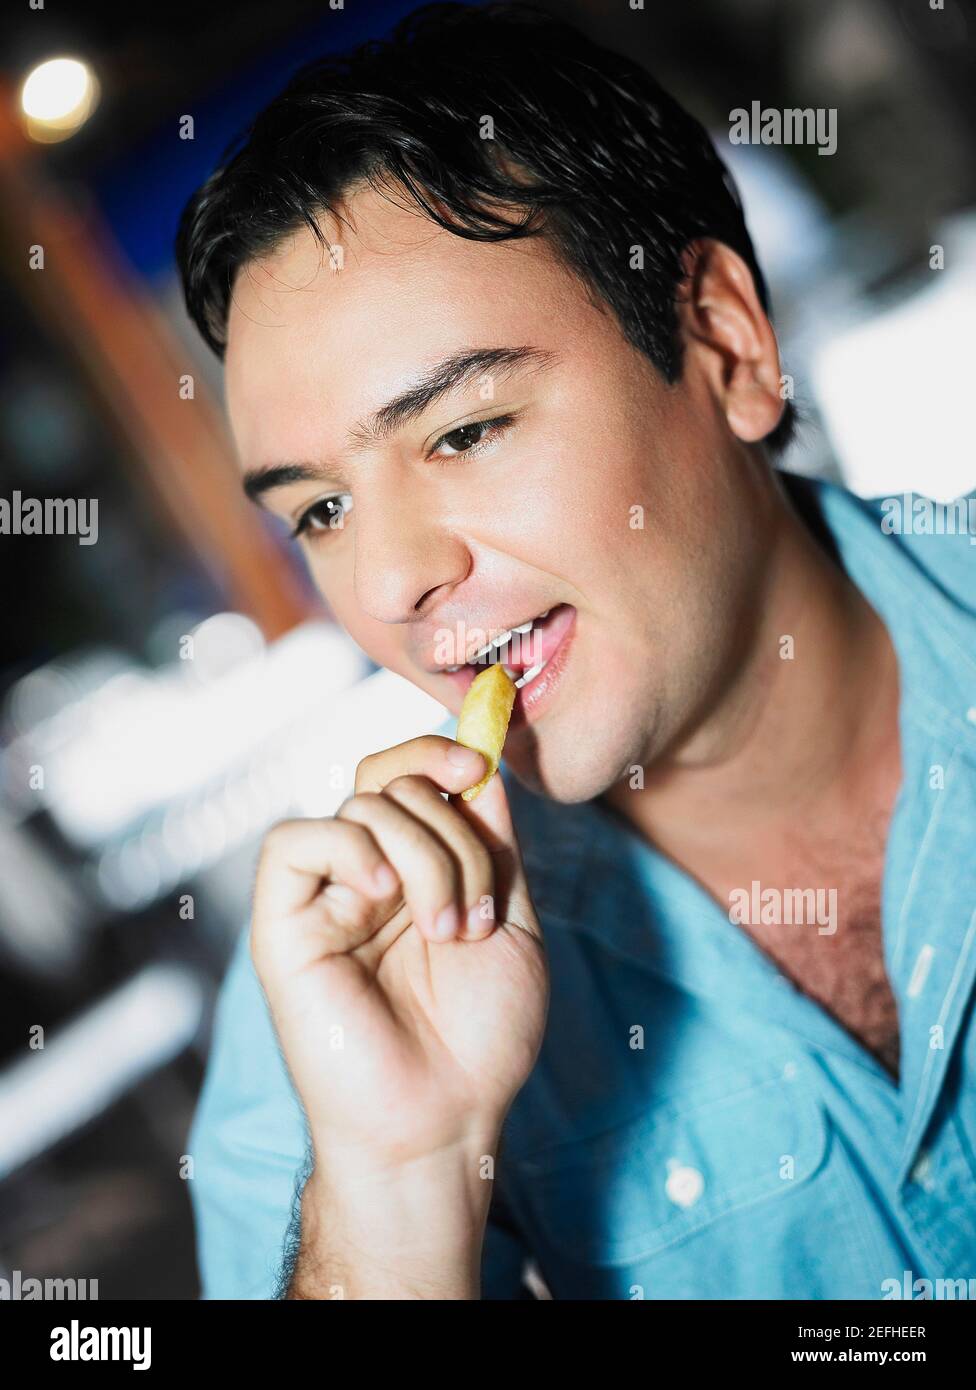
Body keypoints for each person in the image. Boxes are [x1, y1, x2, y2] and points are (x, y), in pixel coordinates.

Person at [174, 1, 976, 1299]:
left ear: (725, 342)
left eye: (465, 430)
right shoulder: (339, 1011)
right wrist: (395, 1190)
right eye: (319, 510)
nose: (389, 581)